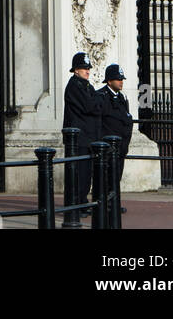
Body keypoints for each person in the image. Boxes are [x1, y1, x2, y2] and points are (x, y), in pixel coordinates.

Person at [63, 51, 104, 220]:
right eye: (83, 68)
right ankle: (75, 204)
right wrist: (96, 102)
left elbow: (98, 105)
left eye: (88, 68)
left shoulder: (88, 86)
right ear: (75, 70)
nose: (87, 71)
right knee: (78, 173)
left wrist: (96, 103)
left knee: (87, 174)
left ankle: (82, 202)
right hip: (78, 139)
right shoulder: (74, 86)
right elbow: (90, 106)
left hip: (89, 137)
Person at [98, 64, 133, 213]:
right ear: (109, 81)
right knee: (107, 177)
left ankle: (114, 204)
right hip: (108, 145)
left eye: (122, 79)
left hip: (120, 145)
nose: (121, 82)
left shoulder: (122, 97)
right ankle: (105, 205)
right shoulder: (102, 96)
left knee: (116, 176)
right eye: (118, 79)